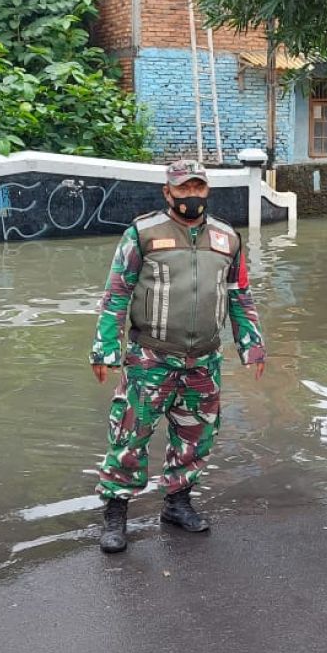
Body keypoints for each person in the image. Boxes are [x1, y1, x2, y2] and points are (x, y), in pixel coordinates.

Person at [90, 159, 266, 553]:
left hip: (203, 359)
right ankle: (116, 512)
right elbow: (116, 293)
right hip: (150, 357)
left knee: (196, 434)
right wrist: (105, 347)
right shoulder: (143, 233)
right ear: (167, 193)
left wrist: (252, 344)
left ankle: (177, 503)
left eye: (198, 187)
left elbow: (239, 295)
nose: (191, 195)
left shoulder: (226, 238)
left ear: (207, 190)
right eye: (183, 189)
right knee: (129, 434)